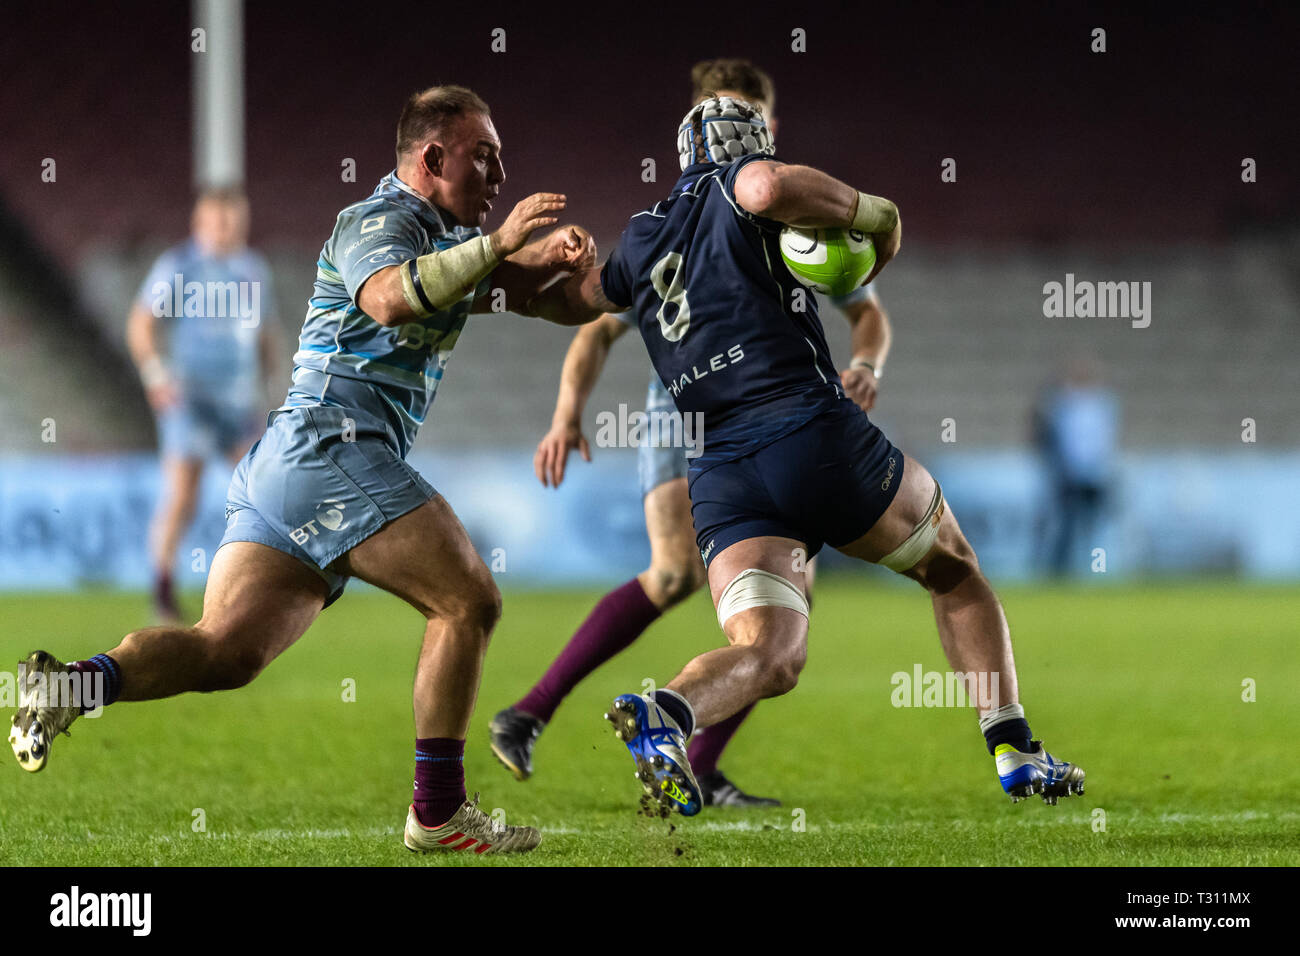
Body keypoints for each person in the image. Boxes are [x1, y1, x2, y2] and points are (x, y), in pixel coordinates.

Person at [10, 85, 596, 856]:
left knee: (227, 652)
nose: (498, 175)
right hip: (332, 447)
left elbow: (545, 300)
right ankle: (438, 811)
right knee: (467, 601)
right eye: (483, 158)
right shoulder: (379, 223)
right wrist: (499, 246)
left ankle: (70, 685)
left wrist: (594, 272)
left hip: (289, 466)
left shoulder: (447, 244)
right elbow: (389, 300)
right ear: (430, 158)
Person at [524, 95, 1085, 817]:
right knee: (951, 568)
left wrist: (521, 261)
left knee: (771, 654)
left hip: (721, 474)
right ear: (745, 144)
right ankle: (1014, 748)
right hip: (807, 432)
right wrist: (879, 216)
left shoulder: (637, 238)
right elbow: (764, 187)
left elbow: (573, 302)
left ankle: (668, 710)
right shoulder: (746, 187)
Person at [490, 59, 894, 809]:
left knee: (779, 602)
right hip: (691, 411)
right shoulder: (682, 222)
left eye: (751, 117)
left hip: (772, 411)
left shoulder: (789, 220)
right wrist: (566, 411)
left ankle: (675, 754)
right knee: (691, 579)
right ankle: (536, 710)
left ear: (769, 127)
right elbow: (598, 329)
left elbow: (864, 309)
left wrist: (866, 361)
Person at [126, 188, 281, 622]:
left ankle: (257, 586)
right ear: (199, 222)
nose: (225, 228)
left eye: (232, 220)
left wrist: (273, 387)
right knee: (183, 495)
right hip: (190, 399)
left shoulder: (253, 270)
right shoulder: (180, 266)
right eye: (217, 220)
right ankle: (162, 589)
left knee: (259, 492)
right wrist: (155, 375)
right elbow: (140, 323)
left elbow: (264, 333)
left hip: (239, 402)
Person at [1033, 357, 1120, 576]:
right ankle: (1061, 570)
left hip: (1093, 474)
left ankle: (1088, 569)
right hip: (1071, 475)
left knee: (1089, 526)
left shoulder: (1098, 404)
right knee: (1068, 526)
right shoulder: (1065, 405)